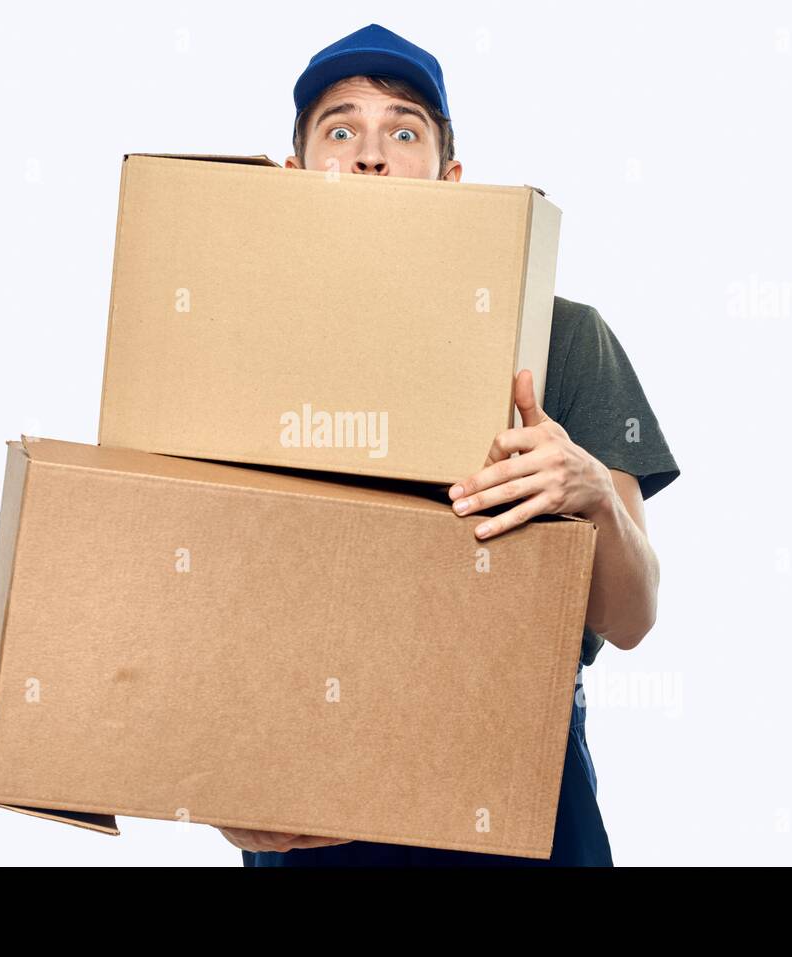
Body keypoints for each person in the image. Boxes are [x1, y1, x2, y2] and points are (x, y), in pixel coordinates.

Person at [220, 23, 681, 866]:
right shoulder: (237, 355)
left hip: (522, 797)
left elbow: (635, 615)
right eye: (340, 129)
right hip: (309, 804)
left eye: (403, 131)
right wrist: (217, 787)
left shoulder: (561, 337)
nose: (371, 153)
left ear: (449, 176)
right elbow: (186, 587)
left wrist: (589, 490)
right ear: (294, 175)